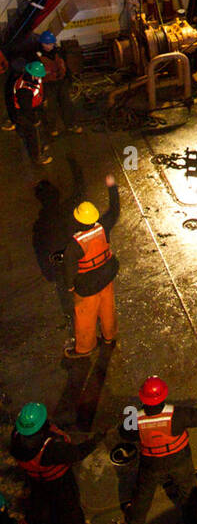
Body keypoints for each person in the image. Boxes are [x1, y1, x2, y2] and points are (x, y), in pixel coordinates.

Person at [115, 377, 197, 524]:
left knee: (143, 493)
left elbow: (124, 433)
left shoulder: (136, 419)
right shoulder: (178, 414)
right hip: (179, 460)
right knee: (189, 491)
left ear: (143, 398)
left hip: (152, 464)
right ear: (163, 396)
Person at [9, 401, 99, 524]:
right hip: (60, 482)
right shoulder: (51, 449)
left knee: (46, 511)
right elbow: (76, 453)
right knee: (70, 511)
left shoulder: (16, 439)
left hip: (37, 482)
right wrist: (95, 441)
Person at [62, 174, 119, 359]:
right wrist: (112, 187)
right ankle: (109, 336)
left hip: (87, 285)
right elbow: (114, 210)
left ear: (77, 220)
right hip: (106, 276)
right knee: (107, 308)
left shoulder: (74, 244)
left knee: (85, 317)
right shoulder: (103, 226)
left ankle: (85, 347)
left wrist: (70, 285)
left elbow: (69, 268)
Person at [36, 31, 82, 136]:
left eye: (51, 44)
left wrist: (69, 78)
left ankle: (71, 124)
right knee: (50, 106)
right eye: (46, 44)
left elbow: (65, 65)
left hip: (61, 82)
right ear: (41, 43)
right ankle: (52, 127)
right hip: (47, 84)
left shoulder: (58, 52)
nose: (49, 46)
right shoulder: (37, 56)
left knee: (67, 103)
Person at [12, 60, 51, 165]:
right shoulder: (24, 90)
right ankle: (37, 157)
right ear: (32, 74)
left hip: (34, 108)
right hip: (25, 115)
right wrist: (34, 120)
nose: (40, 78)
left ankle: (41, 146)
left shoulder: (34, 79)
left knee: (39, 131)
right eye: (39, 76)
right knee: (33, 136)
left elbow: (40, 89)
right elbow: (26, 109)